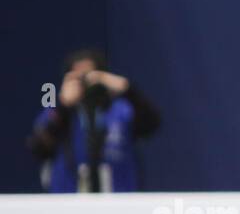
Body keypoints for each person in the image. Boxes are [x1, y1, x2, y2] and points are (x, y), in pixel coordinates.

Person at [25, 47, 161, 192]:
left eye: (91, 76)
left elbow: (152, 123)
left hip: (118, 199)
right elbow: (38, 148)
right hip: (68, 202)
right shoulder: (57, 114)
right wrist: (64, 105)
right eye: (78, 78)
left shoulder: (120, 110)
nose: (85, 83)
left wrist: (128, 89)